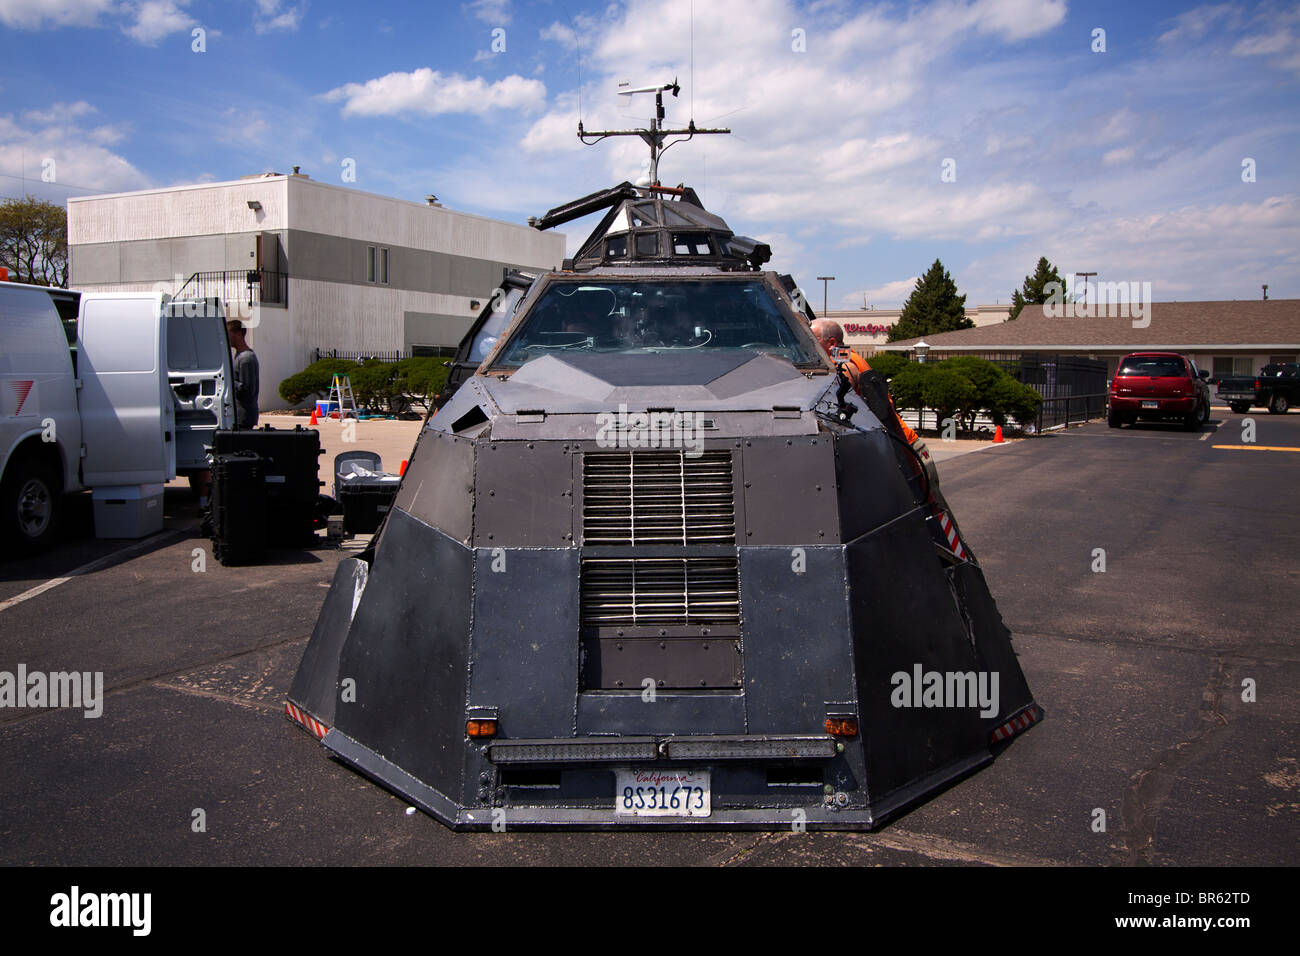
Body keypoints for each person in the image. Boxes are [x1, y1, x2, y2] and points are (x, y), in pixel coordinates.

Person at [810, 319, 944, 504]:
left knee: (931, 512)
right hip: (897, 447)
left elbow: (845, 381)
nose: (808, 342)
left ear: (831, 343)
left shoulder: (845, 363)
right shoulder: (846, 358)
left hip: (907, 451)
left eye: (812, 338)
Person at [227, 320, 260, 429]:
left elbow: (247, 390)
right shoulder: (239, 356)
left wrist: (228, 381)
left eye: (229, 333)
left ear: (238, 334)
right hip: (239, 416)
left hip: (244, 417)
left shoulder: (246, 358)